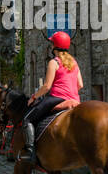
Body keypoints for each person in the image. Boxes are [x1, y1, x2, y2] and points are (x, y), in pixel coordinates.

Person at [20, 31, 83, 163]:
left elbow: (47, 86)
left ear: (54, 46)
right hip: (75, 99)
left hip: (56, 98)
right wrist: (70, 93)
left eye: (51, 43)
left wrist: (33, 97)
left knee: (27, 119)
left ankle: (30, 152)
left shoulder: (54, 62)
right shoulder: (74, 62)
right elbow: (80, 85)